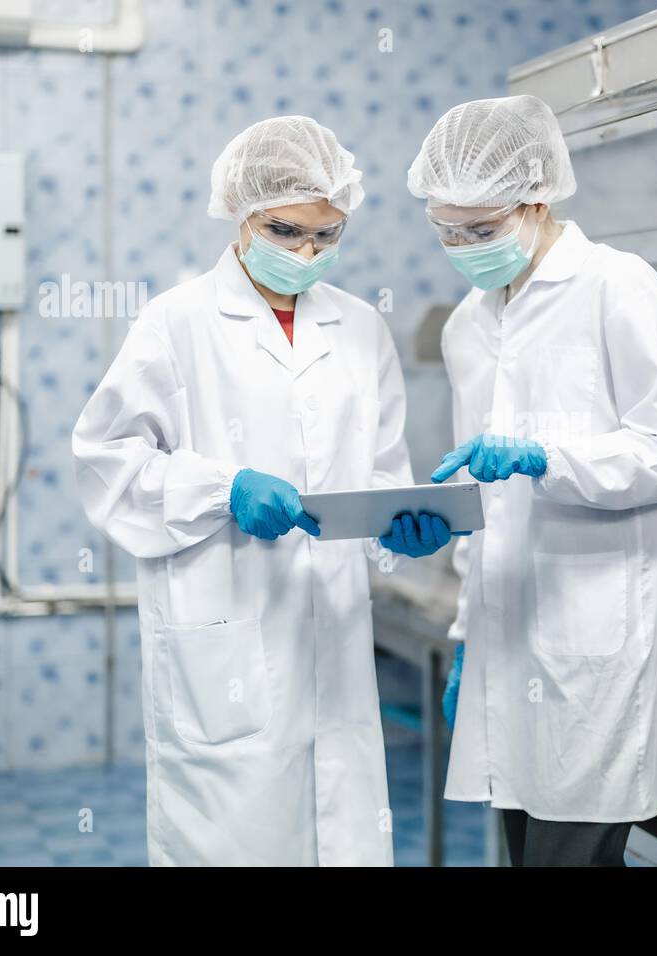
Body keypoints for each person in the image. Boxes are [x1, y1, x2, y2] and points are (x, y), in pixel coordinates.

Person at [72, 116, 453, 866]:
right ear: (241, 213)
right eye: (287, 231)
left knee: (342, 833)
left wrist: (400, 526)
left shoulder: (359, 328)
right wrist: (223, 488)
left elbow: (379, 471)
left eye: (328, 235)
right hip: (223, 629)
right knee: (230, 839)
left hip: (335, 635)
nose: (308, 252)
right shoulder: (176, 324)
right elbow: (105, 459)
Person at [407, 95, 657, 866]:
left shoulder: (617, 286)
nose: (464, 246)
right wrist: (466, 636)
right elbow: (482, 508)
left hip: (600, 644)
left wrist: (550, 460)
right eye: (448, 230)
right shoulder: (466, 327)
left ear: (537, 197)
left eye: (482, 229)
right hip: (504, 638)